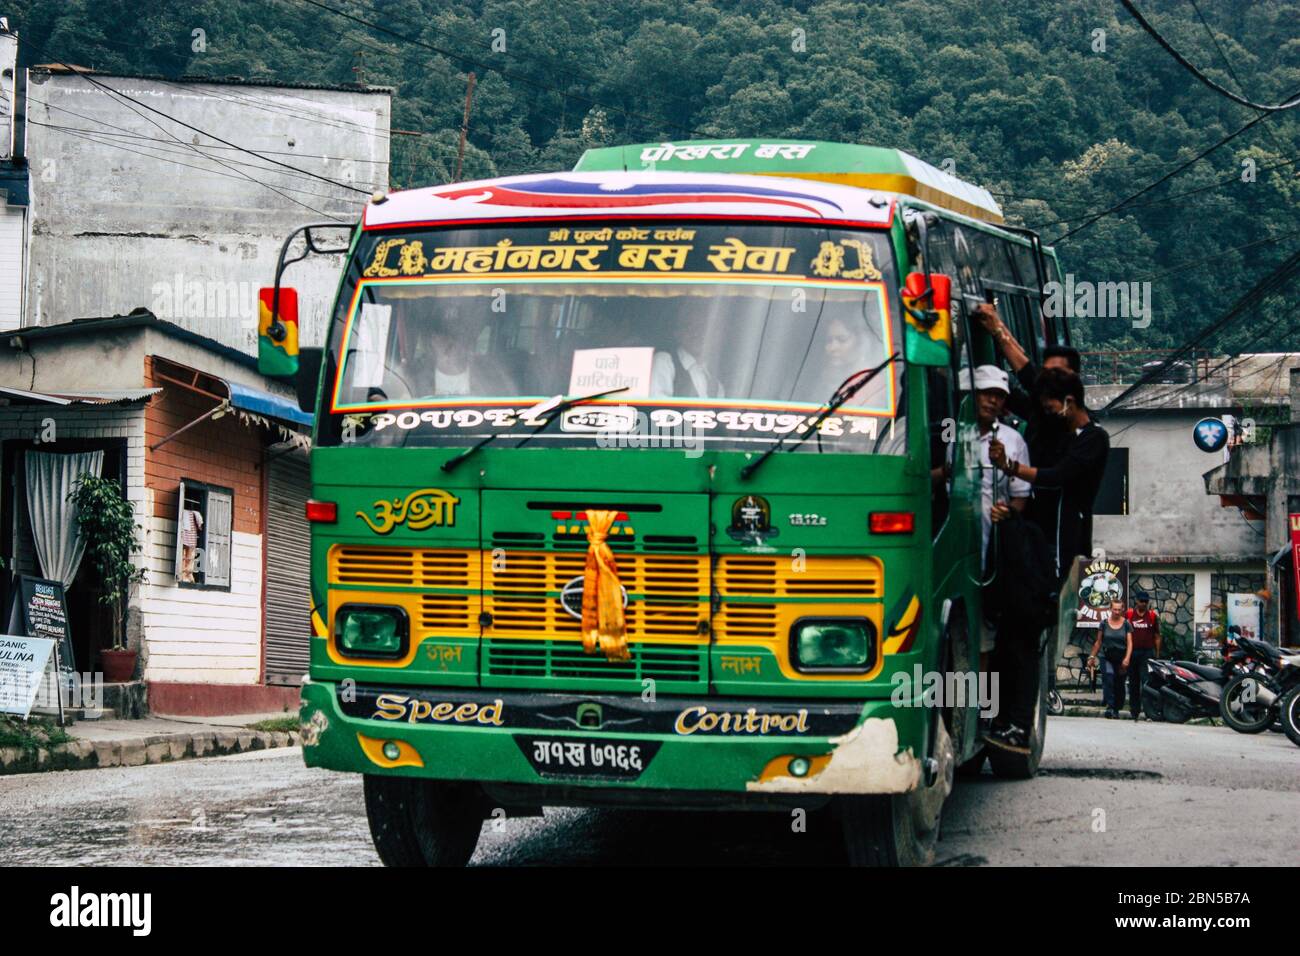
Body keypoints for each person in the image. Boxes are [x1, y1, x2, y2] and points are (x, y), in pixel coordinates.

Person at [932, 365, 1032, 670]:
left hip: (993, 549)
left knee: (984, 631)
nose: (992, 402)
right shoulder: (956, 436)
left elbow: (1021, 496)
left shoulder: (1013, 440)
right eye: (986, 395)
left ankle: (982, 710)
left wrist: (1008, 512)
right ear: (971, 398)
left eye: (999, 397)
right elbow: (946, 481)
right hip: (957, 540)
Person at [989, 367, 1110, 582]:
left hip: (1066, 534)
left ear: (1069, 402)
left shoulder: (1094, 438)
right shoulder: (1059, 433)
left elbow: (1057, 475)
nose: (1047, 413)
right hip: (1039, 530)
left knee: (1058, 586)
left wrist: (1010, 466)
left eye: (1051, 408)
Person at [1090, 598, 1133, 718]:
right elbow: (1098, 642)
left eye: (1119, 610)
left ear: (1122, 609)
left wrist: (1127, 658)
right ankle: (1110, 706)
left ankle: (1117, 708)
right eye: (1114, 609)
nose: (1117, 612)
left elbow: (1130, 643)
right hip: (1107, 656)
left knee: (1119, 683)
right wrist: (1092, 656)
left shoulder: (1126, 624)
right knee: (1109, 677)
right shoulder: (1103, 623)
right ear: (1110, 609)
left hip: (1121, 657)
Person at [1126, 590, 1160, 720]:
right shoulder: (1129, 614)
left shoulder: (1152, 616)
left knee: (1146, 683)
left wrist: (1156, 654)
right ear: (1136, 601)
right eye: (1141, 601)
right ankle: (1134, 711)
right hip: (1132, 652)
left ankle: (1148, 712)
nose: (1144, 604)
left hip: (1146, 653)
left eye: (1146, 601)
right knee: (1133, 683)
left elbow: (1157, 635)